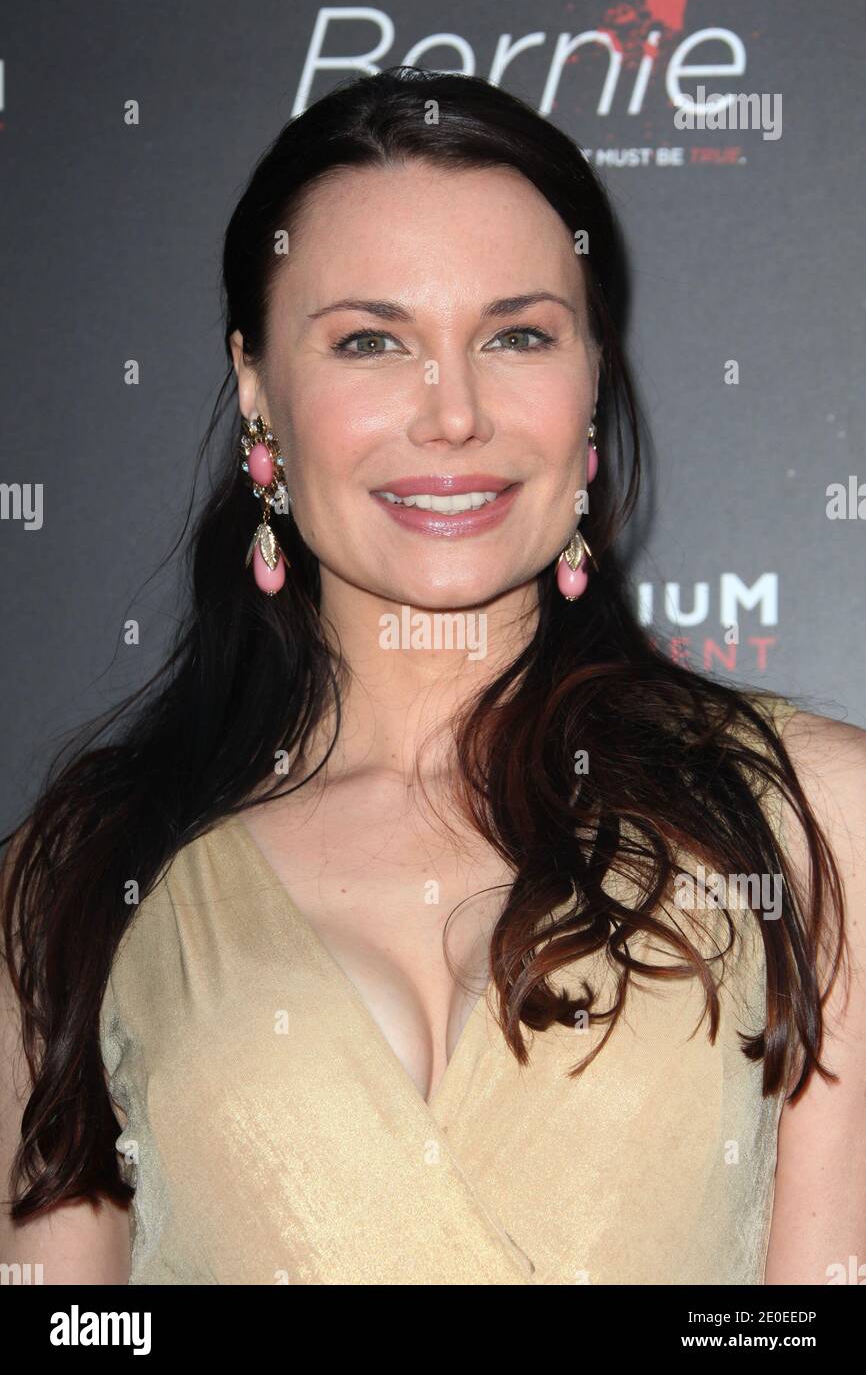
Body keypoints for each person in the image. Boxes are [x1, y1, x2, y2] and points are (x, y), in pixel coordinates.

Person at [1, 67, 864, 1286]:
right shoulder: (78, 878)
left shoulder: (817, 819)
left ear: (591, 382)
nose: (451, 412)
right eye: (369, 340)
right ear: (256, 388)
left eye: (515, 335)